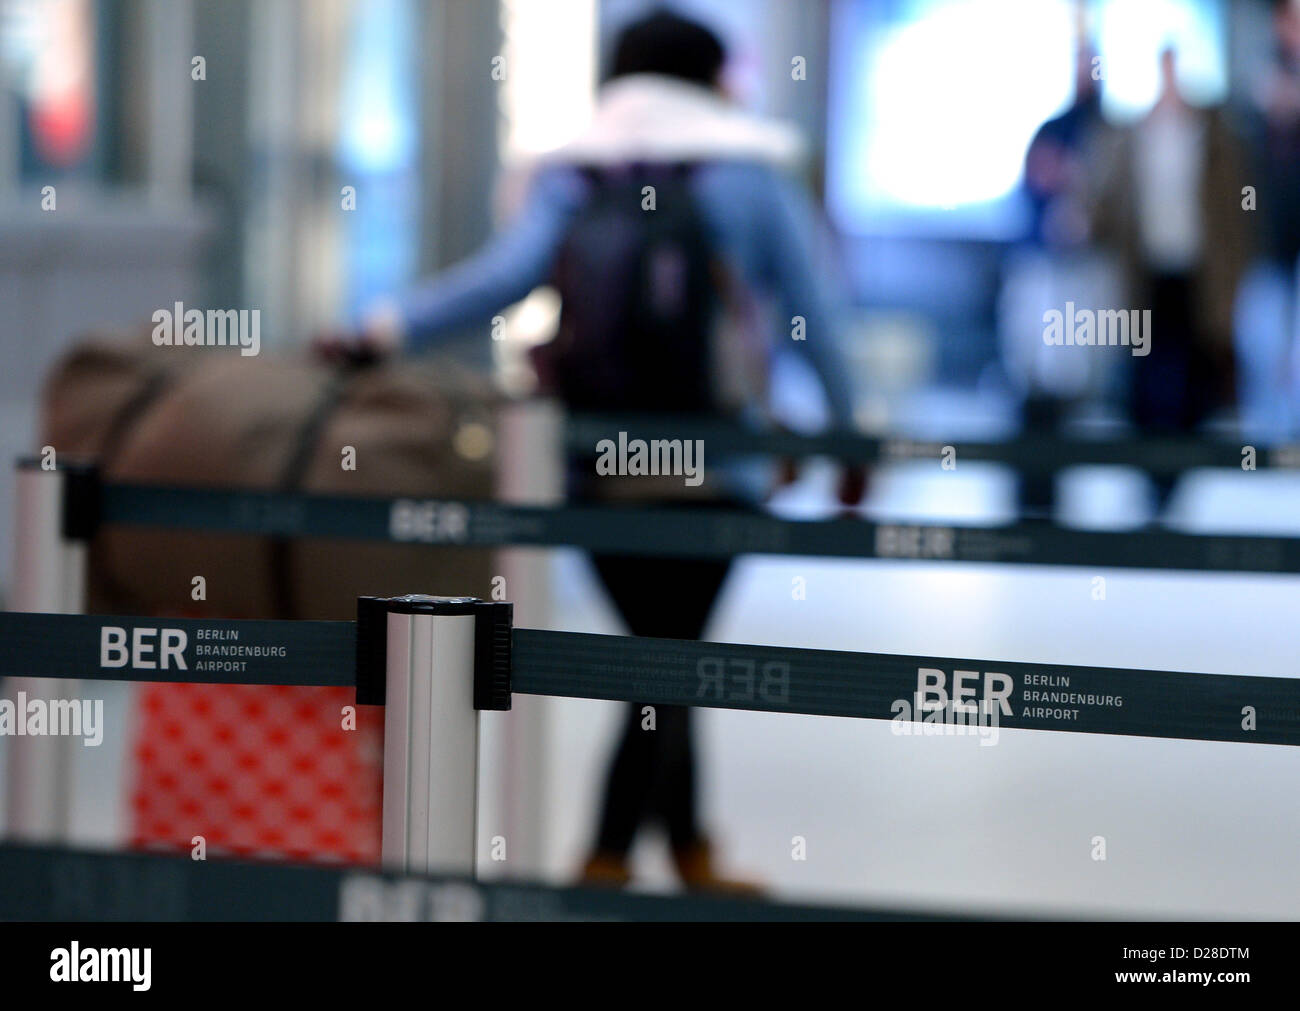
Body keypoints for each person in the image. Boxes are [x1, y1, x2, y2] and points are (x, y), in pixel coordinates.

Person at [325, 9, 862, 890]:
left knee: (667, 653)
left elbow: (501, 280)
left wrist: (385, 328)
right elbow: (816, 317)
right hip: (713, 466)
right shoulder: (754, 174)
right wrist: (849, 438)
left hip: (590, 463)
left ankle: (688, 849)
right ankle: (606, 857)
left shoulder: (573, 174)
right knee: (671, 659)